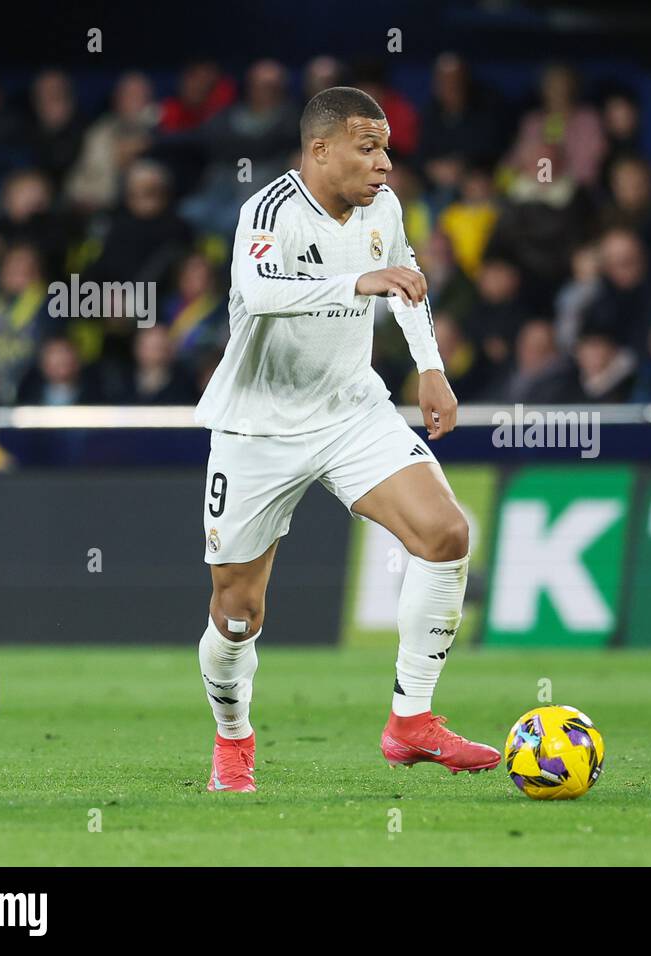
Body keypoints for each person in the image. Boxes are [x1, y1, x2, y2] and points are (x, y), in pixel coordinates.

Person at [194, 87, 499, 793]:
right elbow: (262, 288)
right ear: (320, 149)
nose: (385, 164)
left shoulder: (382, 209)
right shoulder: (269, 210)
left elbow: (407, 282)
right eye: (369, 147)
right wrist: (358, 280)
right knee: (237, 615)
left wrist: (430, 369)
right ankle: (234, 737)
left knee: (445, 534)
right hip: (258, 426)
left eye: (387, 148)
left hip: (350, 410)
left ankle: (411, 721)